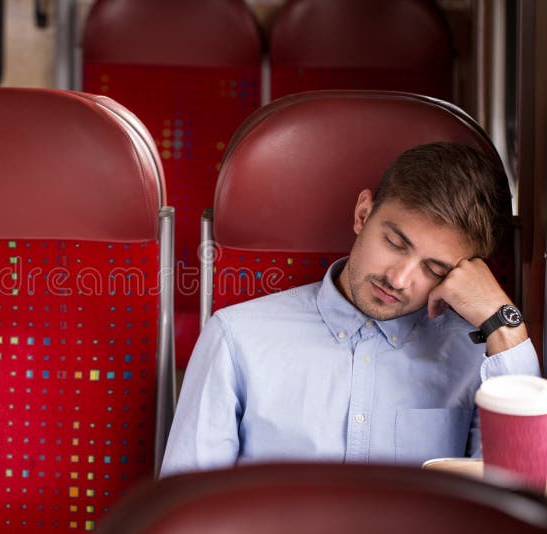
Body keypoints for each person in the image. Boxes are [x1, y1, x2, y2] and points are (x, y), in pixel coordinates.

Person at [161, 142, 540, 477]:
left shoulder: (477, 359)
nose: (399, 278)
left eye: (434, 269)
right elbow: (185, 511)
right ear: (363, 214)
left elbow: (520, 498)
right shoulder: (235, 338)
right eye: (394, 242)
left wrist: (505, 324)